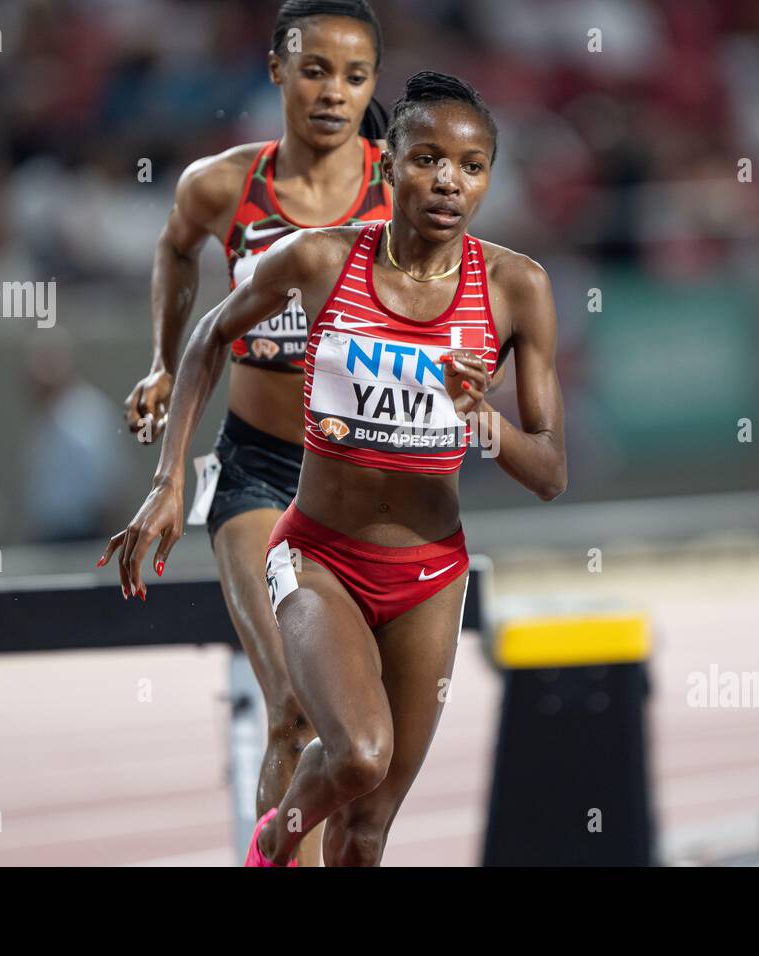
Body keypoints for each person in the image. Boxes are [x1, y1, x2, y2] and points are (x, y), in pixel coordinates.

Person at [100, 71, 566, 867]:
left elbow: (550, 470)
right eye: (426, 159)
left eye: (472, 165)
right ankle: (268, 851)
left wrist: (481, 416)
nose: (449, 180)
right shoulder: (318, 259)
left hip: (429, 573)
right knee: (355, 753)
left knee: (368, 829)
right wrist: (169, 479)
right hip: (318, 554)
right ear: (387, 168)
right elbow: (211, 333)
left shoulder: (516, 287)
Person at [119, 0, 390, 867]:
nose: (332, 93)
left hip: (365, 484)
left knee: (363, 751)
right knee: (292, 708)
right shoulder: (222, 185)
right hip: (257, 472)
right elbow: (176, 249)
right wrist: (163, 364)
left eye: (354, 77)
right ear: (277, 70)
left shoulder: (406, 189)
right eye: (314, 70)